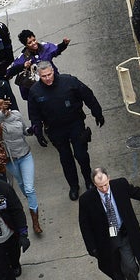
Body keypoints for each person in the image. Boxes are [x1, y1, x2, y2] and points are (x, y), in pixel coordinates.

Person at [27, 62, 102, 201]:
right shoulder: (34, 92)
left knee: (81, 155)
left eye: (49, 74)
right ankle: (74, 186)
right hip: (55, 130)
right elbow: (34, 114)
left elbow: (88, 95)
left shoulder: (69, 81)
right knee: (66, 159)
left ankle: (88, 180)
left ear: (53, 72)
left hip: (75, 124)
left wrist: (97, 112)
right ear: (39, 75)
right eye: (44, 76)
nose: (48, 78)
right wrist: (37, 131)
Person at [0, 96, 41, 235]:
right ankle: (31, 202)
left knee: (29, 189)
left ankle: (35, 222)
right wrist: (1, 112)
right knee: (22, 184)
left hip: (25, 155)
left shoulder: (16, 114)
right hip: (11, 160)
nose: (5, 109)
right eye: (0, 107)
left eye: (4, 106)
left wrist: (31, 130)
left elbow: (24, 130)